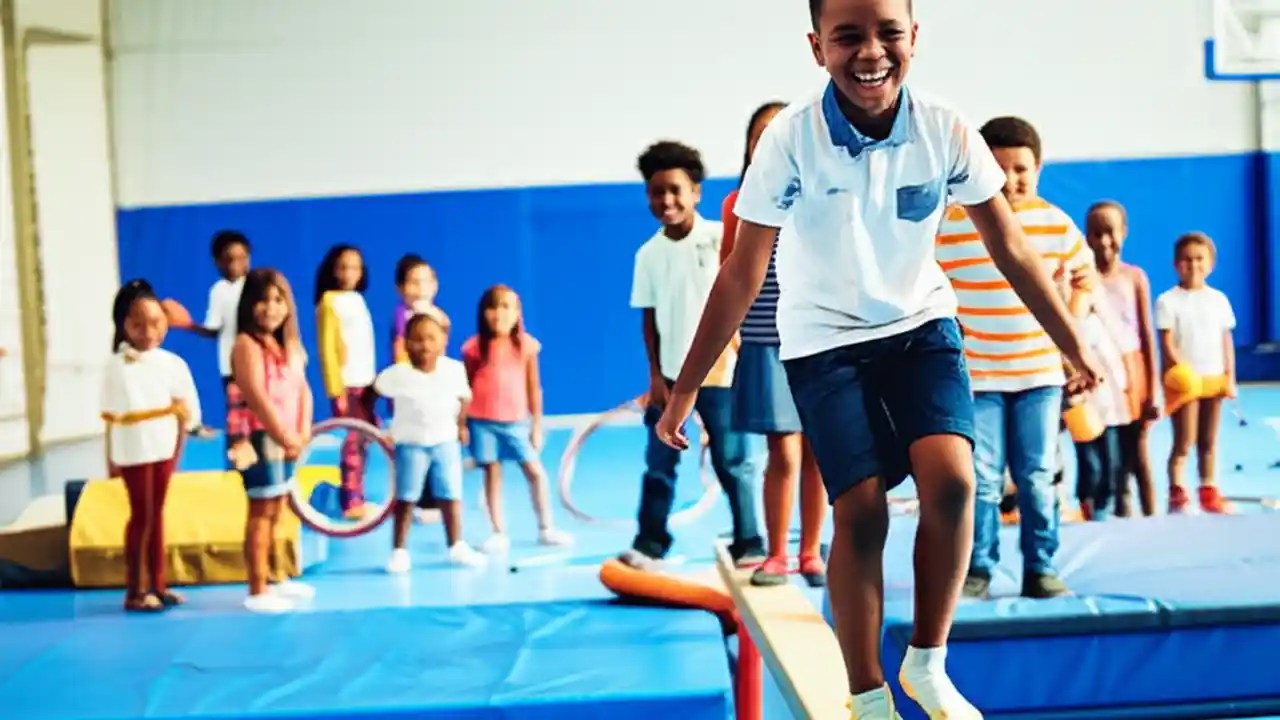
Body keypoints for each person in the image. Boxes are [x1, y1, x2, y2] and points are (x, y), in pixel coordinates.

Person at [652, 0, 1100, 716]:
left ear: (915, 37)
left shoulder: (945, 127)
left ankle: (927, 662)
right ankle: (865, 693)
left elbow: (1010, 244)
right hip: (824, 340)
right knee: (860, 509)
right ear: (816, 46)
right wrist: (684, 390)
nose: (871, 52)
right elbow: (740, 271)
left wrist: (1073, 341)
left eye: (889, 32)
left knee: (954, 480)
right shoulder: (790, 140)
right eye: (848, 36)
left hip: (921, 325)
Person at [935, 116, 1092, 600]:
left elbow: (1085, 279)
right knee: (981, 480)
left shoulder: (1055, 223)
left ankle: (1040, 568)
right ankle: (978, 568)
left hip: (1040, 374)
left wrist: (1071, 332)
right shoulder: (953, 223)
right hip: (978, 375)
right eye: (999, 169)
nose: (1012, 179)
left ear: (1038, 169)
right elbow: (928, 282)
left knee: (1038, 475)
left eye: (1021, 168)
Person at [623, 139, 765, 570]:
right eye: (656, 192)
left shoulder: (721, 237)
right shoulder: (647, 255)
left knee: (734, 460)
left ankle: (750, 541)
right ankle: (650, 542)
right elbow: (649, 320)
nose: (666, 200)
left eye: (675, 190)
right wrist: (655, 377)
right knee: (659, 465)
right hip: (670, 379)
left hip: (722, 373)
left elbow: (743, 296)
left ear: (696, 193)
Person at [722, 101, 828, 587]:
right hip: (767, 339)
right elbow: (731, 270)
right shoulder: (738, 201)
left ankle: (811, 552)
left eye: (777, 132)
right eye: (758, 135)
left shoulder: (823, 192)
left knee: (819, 453)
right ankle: (778, 553)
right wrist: (733, 332)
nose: (768, 143)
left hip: (820, 336)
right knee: (783, 453)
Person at [101, 279, 201, 612]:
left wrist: (184, 430)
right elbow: (118, 412)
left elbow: (185, 402)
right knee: (141, 515)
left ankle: (158, 583)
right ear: (123, 325)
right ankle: (135, 590)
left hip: (163, 443)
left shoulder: (170, 362)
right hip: (135, 449)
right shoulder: (118, 366)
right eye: (137, 324)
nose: (148, 331)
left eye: (156, 322)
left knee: (156, 514)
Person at [228, 268, 315, 613]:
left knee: (279, 506)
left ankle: (277, 576)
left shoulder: (288, 345)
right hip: (258, 438)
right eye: (262, 300)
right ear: (249, 305)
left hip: (288, 436)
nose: (270, 308)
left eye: (278, 300)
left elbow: (303, 389)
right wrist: (283, 434)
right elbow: (256, 395)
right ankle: (257, 588)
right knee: (261, 510)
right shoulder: (246, 345)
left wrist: (303, 430)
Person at [462, 285, 571, 552]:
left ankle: (546, 527)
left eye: (505, 306)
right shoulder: (473, 349)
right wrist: (462, 424)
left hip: (516, 423)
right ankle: (497, 531)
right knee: (492, 474)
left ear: (517, 313)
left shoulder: (527, 347)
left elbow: (534, 388)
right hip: (482, 423)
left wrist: (536, 426)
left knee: (534, 472)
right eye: (492, 307)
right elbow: (463, 389)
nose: (498, 314)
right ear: (483, 313)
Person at [376, 311, 486, 572]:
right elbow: (370, 396)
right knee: (406, 497)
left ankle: (456, 546)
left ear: (443, 342)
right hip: (410, 444)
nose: (424, 345)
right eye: (416, 339)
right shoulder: (395, 374)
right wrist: (376, 428)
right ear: (405, 344)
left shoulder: (454, 370)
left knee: (450, 495)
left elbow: (464, 399)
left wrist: (460, 426)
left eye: (430, 339)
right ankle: (399, 551)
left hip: (445, 443)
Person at [1086, 201, 1159, 516]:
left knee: (1138, 453)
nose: (1104, 241)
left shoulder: (1135, 278)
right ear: (1086, 237)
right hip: (1099, 378)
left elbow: (1147, 334)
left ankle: (1153, 517)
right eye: (1096, 233)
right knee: (1107, 457)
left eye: (1110, 232)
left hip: (1133, 376)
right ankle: (1118, 512)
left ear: (1124, 233)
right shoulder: (1084, 278)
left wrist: (1153, 388)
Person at [1156, 232, 1236, 514]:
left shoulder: (1219, 300)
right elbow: (1166, 342)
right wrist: (1183, 372)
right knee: (1184, 440)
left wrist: (1230, 377)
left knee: (1208, 440)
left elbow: (1226, 341)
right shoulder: (1168, 301)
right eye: (1187, 260)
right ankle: (1177, 491)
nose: (1194, 265)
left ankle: (1209, 489)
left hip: (1213, 379)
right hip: (1186, 384)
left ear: (1210, 264)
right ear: (1177, 264)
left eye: (1200, 259)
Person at [315, 244, 378, 519]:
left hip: (366, 382)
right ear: (332, 270)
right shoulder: (329, 301)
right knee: (352, 442)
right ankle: (351, 502)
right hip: (347, 383)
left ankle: (354, 491)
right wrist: (335, 389)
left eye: (355, 267)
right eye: (343, 267)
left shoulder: (357, 299)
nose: (349, 273)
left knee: (366, 439)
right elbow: (327, 349)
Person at [187, 230, 251, 446]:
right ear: (217, 262)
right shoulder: (219, 290)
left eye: (241, 258)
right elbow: (213, 328)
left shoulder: (257, 285)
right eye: (228, 259)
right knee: (236, 418)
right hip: (231, 368)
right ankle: (237, 463)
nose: (235, 265)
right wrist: (188, 324)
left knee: (258, 417)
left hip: (258, 365)